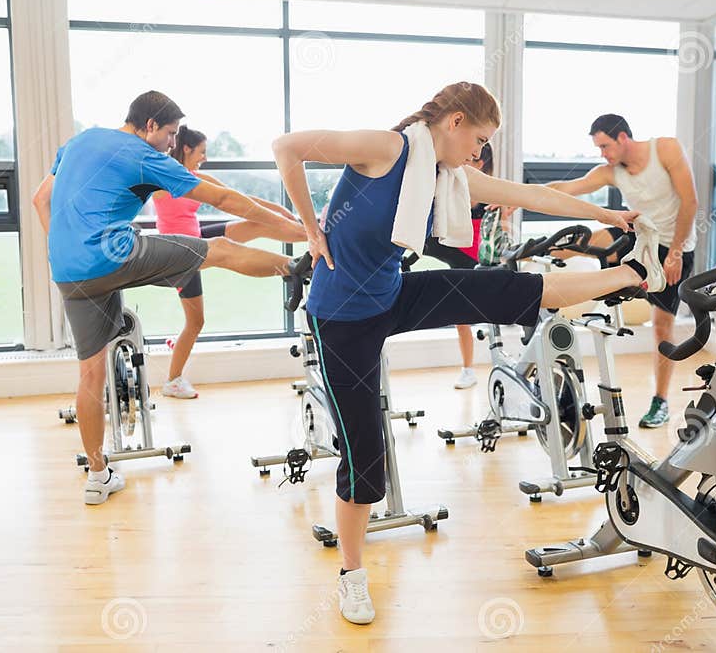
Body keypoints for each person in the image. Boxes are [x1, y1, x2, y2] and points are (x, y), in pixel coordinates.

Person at [272, 82, 665, 625]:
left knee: (504, 287)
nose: (478, 153)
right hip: (342, 319)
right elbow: (286, 147)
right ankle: (352, 576)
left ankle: (633, 274)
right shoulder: (386, 148)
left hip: (393, 295)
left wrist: (612, 219)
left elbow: (532, 195)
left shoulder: (447, 173)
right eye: (478, 139)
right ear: (454, 122)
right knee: (364, 456)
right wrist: (311, 231)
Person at [31, 90, 304, 505]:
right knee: (216, 251)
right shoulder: (142, 154)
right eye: (171, 134)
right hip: (113, 253)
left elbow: (40, 198)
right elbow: (225, 200)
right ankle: (301, 268)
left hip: (68, 269)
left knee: (90, 374)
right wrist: (300, 228)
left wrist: (70, 248)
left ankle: (98, 474)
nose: (173, 144)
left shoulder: (80, 141)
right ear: (150, 126)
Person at [547, 113, 697, 428]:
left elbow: (690, 202)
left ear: (623, 138)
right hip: (639, 236)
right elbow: (569, 187)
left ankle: (661, 402)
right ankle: (568, 287)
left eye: (604, 145)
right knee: (585, 240)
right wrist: (516, 199)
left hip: (673, 245)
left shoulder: (665, 150)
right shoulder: (610, 171)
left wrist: (676, 252)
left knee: (661, 328)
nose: (603, 153)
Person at [152, 125, 307, 399]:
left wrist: (277, 211)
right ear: (186, 149)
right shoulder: (166, 180)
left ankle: (313, 236)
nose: (205, 157)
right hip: (179, 253)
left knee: (252, 225)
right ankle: (172, 381)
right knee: (196, 322)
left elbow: (237, 198)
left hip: (197, 238)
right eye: (202, 151)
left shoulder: (196, 177)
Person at [419, 141, 513, 389]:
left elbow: (501, 231)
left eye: (471, 159)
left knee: (477, 310)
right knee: (460, 315)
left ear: (481, 162)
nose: (465, 163)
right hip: (455, 252)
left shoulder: (491, 193)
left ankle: (502, 366)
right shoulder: (451, 187)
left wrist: (504, 214)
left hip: (478, 257)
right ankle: (468, 369)